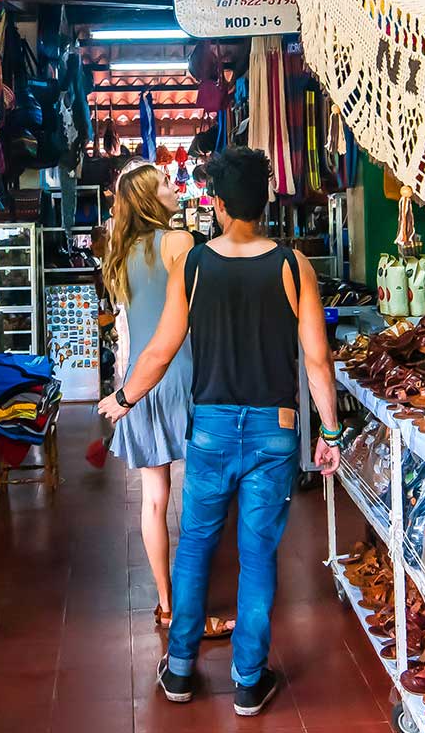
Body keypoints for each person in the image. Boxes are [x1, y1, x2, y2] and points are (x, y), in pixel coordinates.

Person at [99, 146, 343, 718]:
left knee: (196, 549)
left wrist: (123, 399)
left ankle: (180, 670)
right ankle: (247, 681)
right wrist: (329, 432)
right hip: (274, 433)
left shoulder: (196, 265)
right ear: (263, 200)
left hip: (208, 429)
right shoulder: (293, 265)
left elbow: (160, 349)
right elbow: (317, 361)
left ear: (219, 202)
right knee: (258, 556)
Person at [98, 161, 234, 641]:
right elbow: (204, 310)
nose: (174, 189)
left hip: (137, 383)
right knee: (201, 497)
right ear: (148, 200)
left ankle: (166, 604)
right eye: (164, 185)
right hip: (182, 375)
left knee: (155, 501)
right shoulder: (178, 242)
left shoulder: (118, 254)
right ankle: (197, 607)